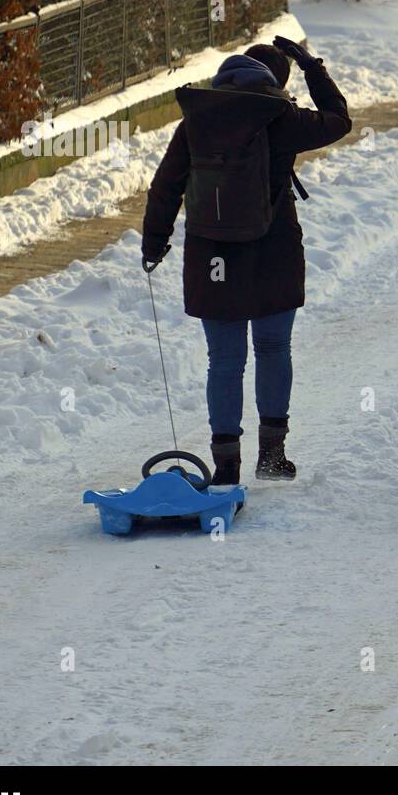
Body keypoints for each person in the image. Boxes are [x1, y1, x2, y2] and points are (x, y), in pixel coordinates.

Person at [141, 36, 351, 485]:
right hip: (273, 249)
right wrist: (314, 68)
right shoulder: (282, 117)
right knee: (273, 349)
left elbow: (166, 185)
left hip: (211, 252)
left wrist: (154, 242)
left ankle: (226, 464)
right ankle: (272, 457)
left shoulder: (198, 117)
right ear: (278, 82)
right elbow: (339, 120)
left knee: (224, 360)